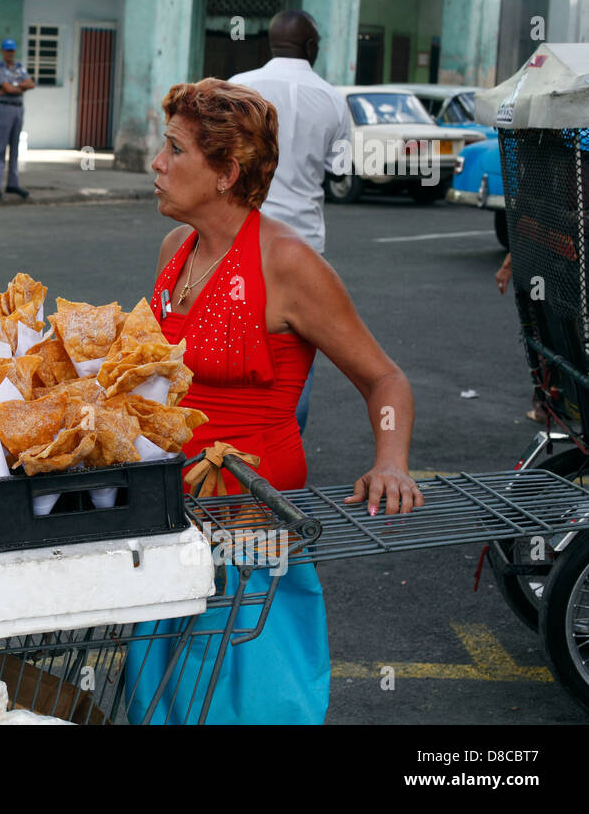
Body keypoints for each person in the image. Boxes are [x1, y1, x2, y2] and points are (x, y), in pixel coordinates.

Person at [127, 78, 422, 724]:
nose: (157, 163)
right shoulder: (175, 251)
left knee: (243, 706)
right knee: (165, 704)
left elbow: (385, 380)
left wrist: (392, 461)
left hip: (249, 533)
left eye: (174, 150)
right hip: (169, 520)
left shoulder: (288, 265)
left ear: (227, 172)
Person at [230, 10, 352, 434]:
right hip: (303, 246)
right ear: (312, 47)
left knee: (229, 346)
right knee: (293, 359)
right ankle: (281, 457)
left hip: (238, 239)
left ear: (270, 43)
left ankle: (227, 452)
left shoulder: (240, 88)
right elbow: (340, 170)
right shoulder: (333, 99)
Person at [0, 38, 32, 200]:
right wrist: (19, 87)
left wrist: (14, 88)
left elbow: (31, 83)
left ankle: (13, 183)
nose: (10, 53)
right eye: (7, 50)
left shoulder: (20, 67)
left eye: (12, 50)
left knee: (15, 148)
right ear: (2, 51)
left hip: (18, 109)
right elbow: (5, 88)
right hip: (4, 108)